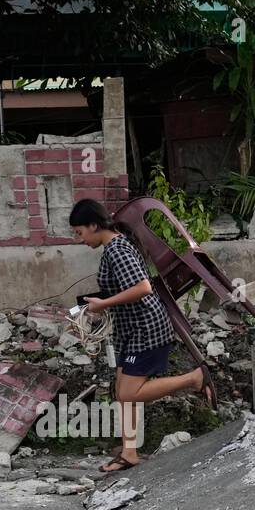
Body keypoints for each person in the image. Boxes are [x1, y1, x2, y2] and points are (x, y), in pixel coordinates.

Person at [68, 198, 215, 473]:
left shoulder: (117, 249)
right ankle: (129, 453)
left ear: (93, 225)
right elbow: (124, 290)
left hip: (145, 329)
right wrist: (93, 308)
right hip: (131, 329)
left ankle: (193, 379)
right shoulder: (114, 247)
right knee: (122, 392)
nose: (80, 239)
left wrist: (104, 304)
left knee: (128, 392)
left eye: (79, 232)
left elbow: (143, 288)